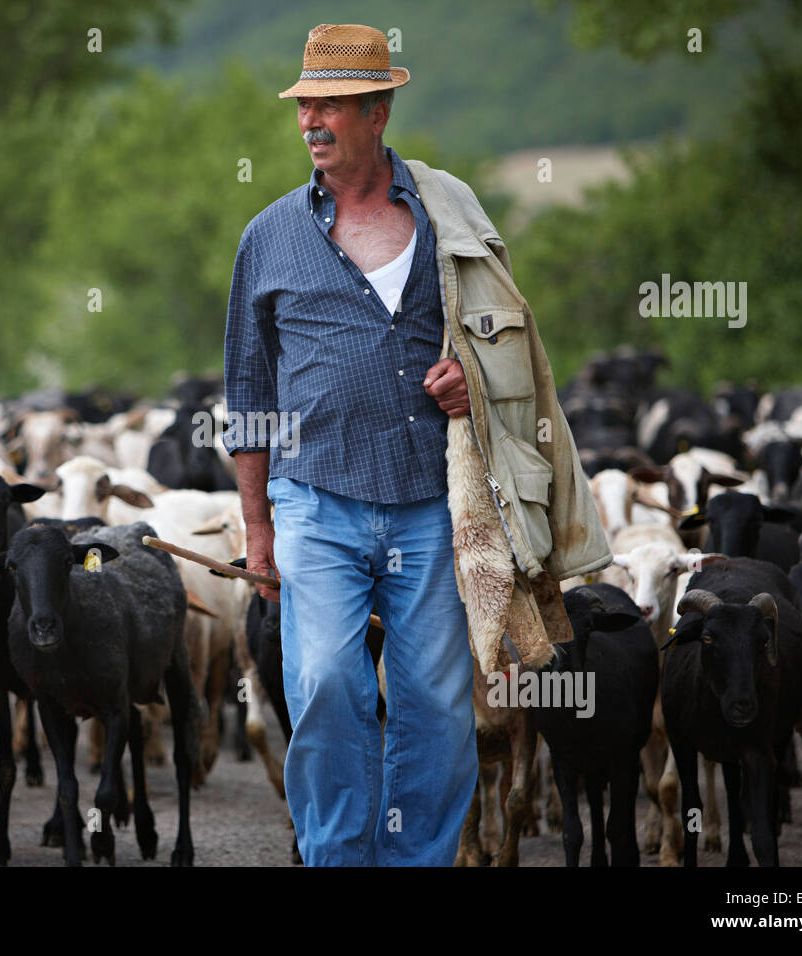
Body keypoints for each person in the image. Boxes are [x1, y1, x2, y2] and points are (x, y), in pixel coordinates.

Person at [221, 23, 480, 866]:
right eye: (305, 106)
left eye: (329, 104)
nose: (310, 122)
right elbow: (250, 394)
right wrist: (257, 529)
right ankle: (336, 856)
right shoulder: (269, 236)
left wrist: (470, 380)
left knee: (436, 703)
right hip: (315, 499)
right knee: (327, 683)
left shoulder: (450, 217)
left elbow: (503, 345)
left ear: (378, 109)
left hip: (431, 503)